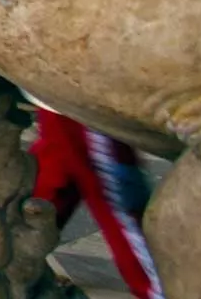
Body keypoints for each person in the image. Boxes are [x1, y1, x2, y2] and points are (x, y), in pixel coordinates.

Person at [30, 106, 166, 299]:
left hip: (65, 98)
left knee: (59, 162)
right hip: (82, 97)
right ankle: (158, 289)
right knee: (112, 186)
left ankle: (13, 257)